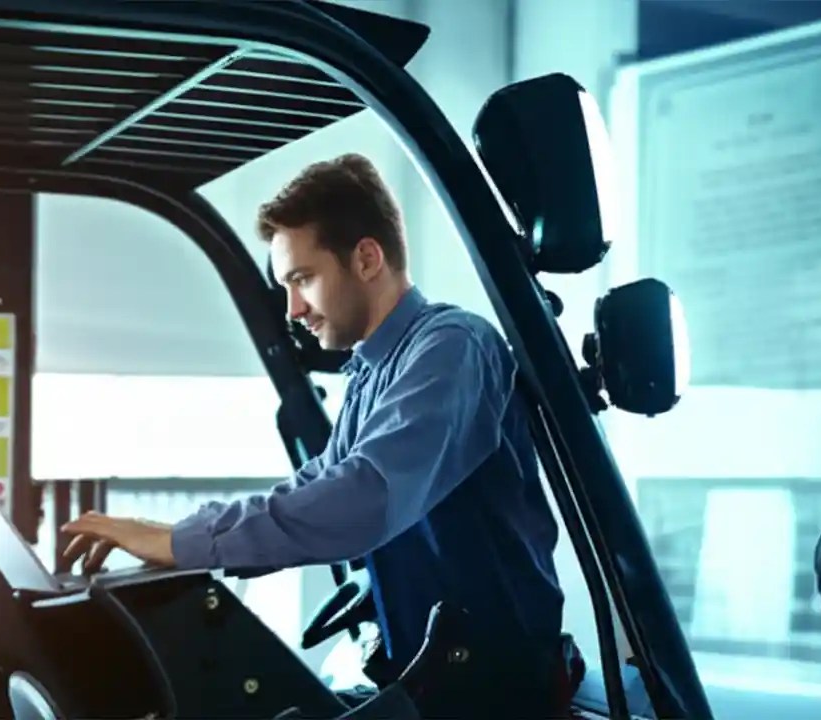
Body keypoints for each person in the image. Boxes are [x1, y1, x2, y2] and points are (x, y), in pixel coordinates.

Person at [61, 153, 574, 718]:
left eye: (302, 279)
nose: (293, 309)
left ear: (367, 258)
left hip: (491, 695)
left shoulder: (451, 348)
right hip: (432, 680)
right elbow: (317, 484)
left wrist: (180, 544)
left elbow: (361, 499)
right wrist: (174, 536)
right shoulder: (372, 371)